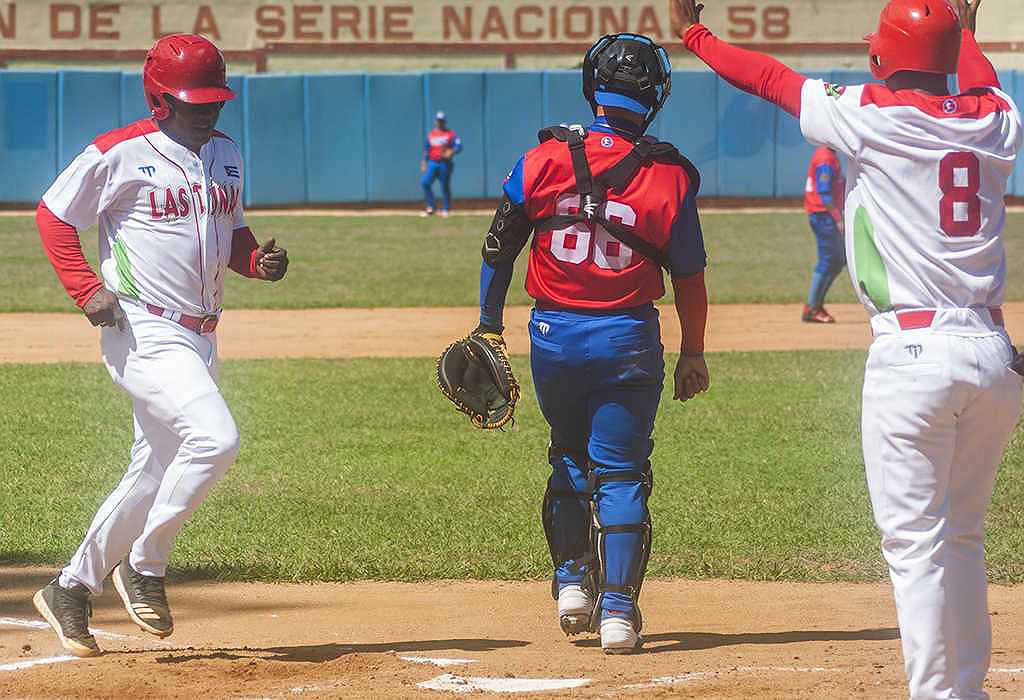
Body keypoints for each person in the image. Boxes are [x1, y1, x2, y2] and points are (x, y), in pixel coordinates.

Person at [670, 0, 1021, 696]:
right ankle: (967, 689)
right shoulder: (999, 119)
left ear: (886, 56)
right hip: (991, 352)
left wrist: (694, 34)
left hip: (913, 356)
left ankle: (936, 694)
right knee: (963, 538)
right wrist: (966, 28)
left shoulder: (869, 111)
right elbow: (976, 79)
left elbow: (768, 78)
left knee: (915, 546)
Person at [32, 33, 289, 658]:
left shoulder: (226, 153)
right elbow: (53, 215)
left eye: (215, 100)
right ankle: (145, 564)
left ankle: (71, 588)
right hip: (142, 328)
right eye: (194, 101)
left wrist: (256, 260)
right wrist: (84, 288)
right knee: (216, 438)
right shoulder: (117, 153)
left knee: (152, 468)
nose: (207, 111)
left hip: (201, 333)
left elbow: (230, 234)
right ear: (159, 99)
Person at [473, 33, 710, 654]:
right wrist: (693, 351)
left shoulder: (542, 159)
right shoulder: (671, 175)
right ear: (654, 96)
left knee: (568, 457)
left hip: (552, 336)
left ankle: (572, 581)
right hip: (628, 338)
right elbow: (689, 277)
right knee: (623, 473)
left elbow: (498, 251)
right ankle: (618, 614)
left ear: (591, 87)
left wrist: (489, 324)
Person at [802, 146, 846, 323]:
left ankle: (815, 305)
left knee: (838, 260)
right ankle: (812, 307)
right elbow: (824, 192)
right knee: (828, 261)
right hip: (824, 216)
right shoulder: (825, 158)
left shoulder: (826, 154)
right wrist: (838, 219)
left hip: (822, 215)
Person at [420, 111, 462, 217]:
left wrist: (452, 151)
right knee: (425, 182)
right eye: (439, 121)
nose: (440, 122)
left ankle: (446, 209)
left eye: (442, 121)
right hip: (432, 162)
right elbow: (426, 149)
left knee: (444, 186)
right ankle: (431, 207)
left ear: (445, 122)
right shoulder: (432, 134)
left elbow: (458, 146)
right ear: (436, 121)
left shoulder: (450, 134)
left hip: (445, 163)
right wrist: (424, 161)